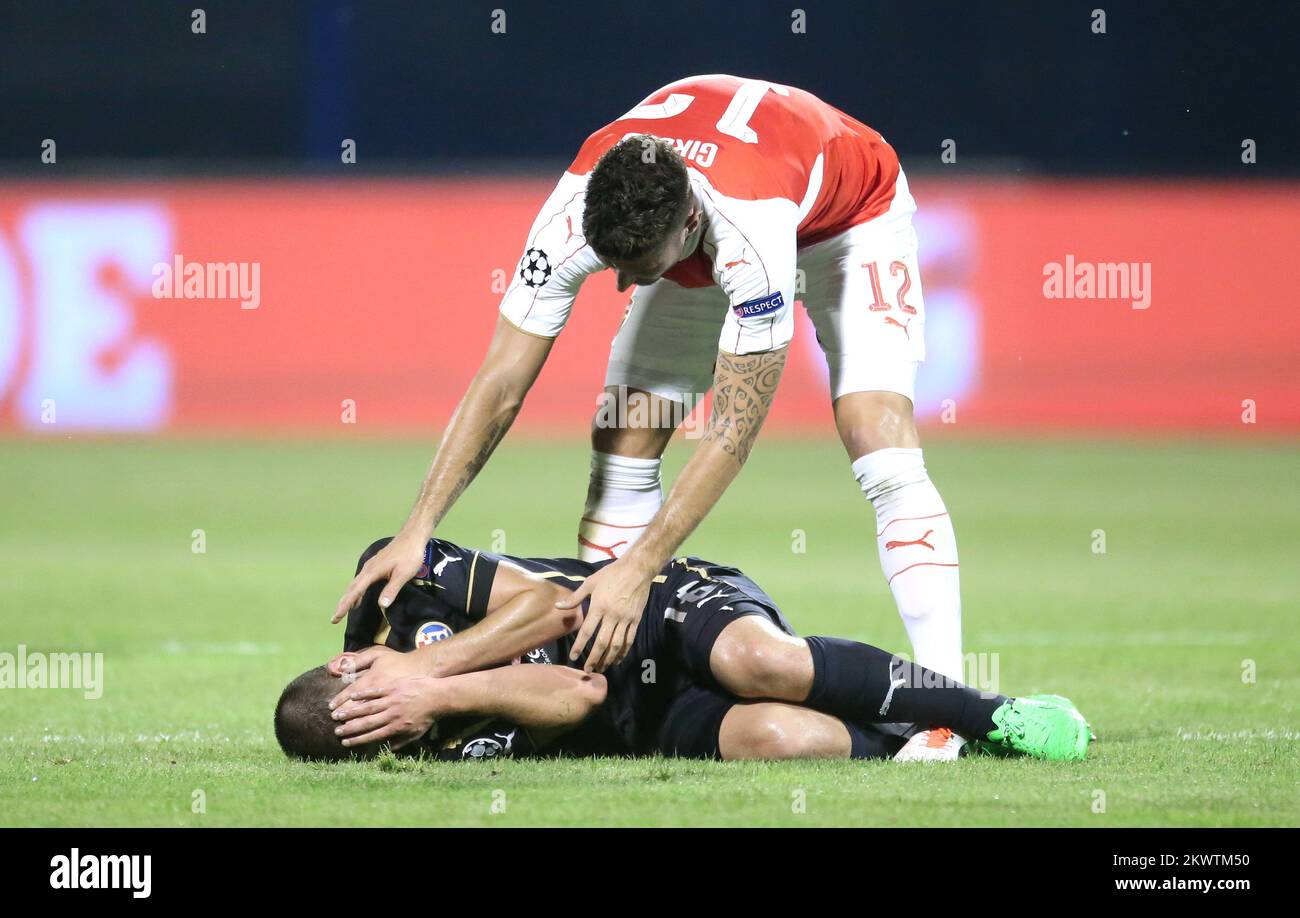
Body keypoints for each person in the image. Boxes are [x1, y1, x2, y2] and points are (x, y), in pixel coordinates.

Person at [336, 74, 966, 759]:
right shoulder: (578, 201)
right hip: (705, 233)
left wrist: (640, 568)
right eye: (612, 264)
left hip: (848, 218)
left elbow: (730, 433)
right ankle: (627, 684)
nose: (623, 285)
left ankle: (948, 704)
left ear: (688, 223)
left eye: (638, 268)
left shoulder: (749, 237)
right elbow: (501, 380)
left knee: (876, 434)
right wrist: (417, 527)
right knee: (624, 436)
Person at [297, 537, 1091, 763]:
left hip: (654, 603)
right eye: (379, 738)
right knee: (777, 738)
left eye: (372, 707)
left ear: (348, 665)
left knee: (763, 664)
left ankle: (995, 713)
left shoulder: (397, 587)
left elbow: (550, 604)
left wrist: (429, 669)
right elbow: (580, 696)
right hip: (635, 716)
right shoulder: (425, 737)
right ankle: (916, 742)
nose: (392, 725)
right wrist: (437, 703)